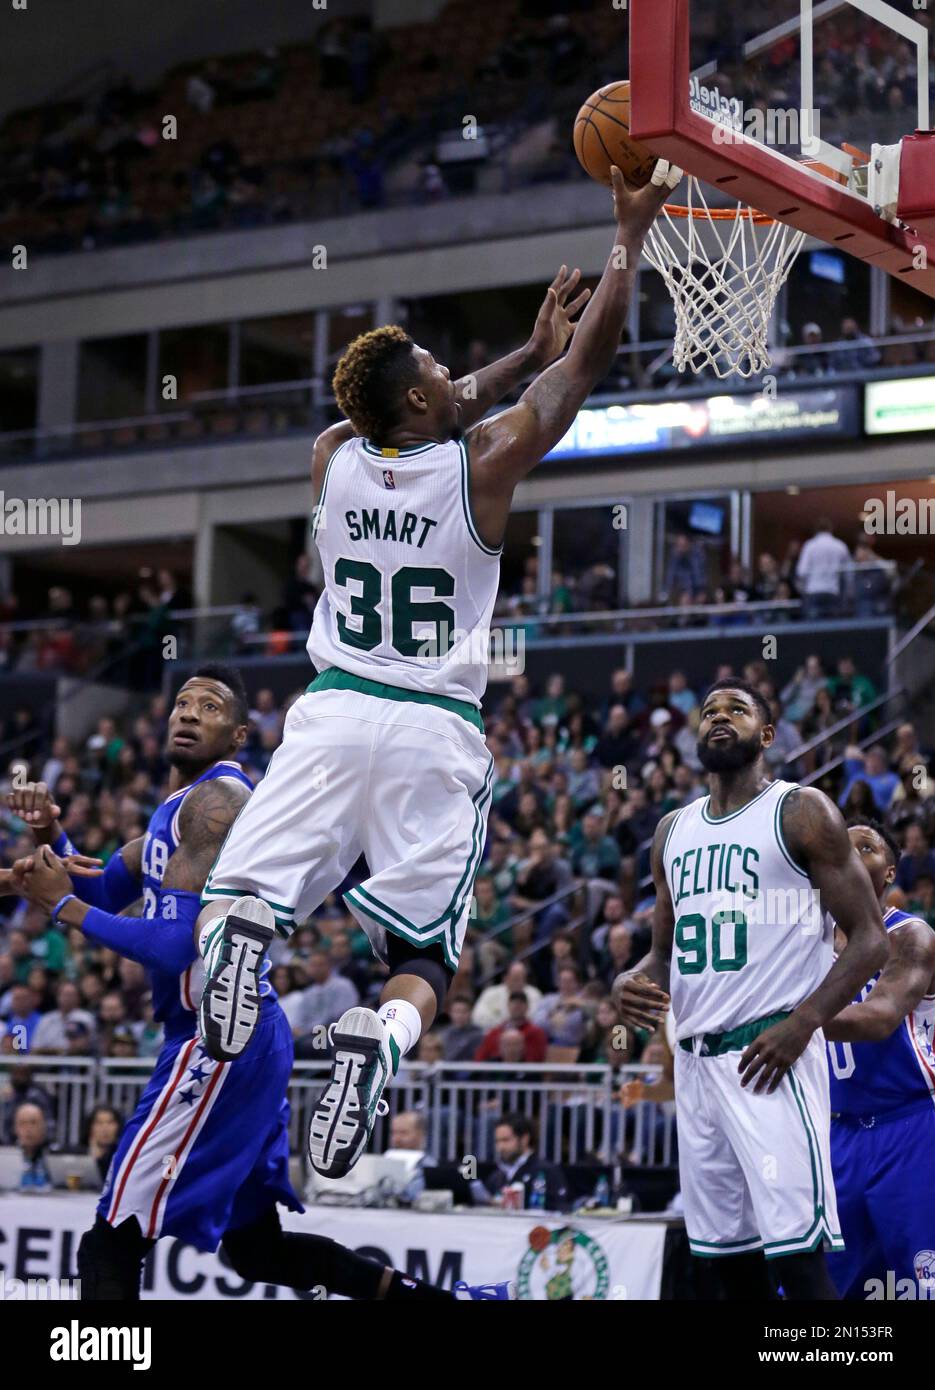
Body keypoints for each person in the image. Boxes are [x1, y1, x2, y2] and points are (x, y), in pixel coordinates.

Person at [192, 163, 680, 1182]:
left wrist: (515, 356)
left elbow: (437, 403)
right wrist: (627, 236)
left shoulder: (331, 452)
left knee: (241, 892)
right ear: (418, 393)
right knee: (423, 958)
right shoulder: (482, 465)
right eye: (433, 363)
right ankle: (376, 1038)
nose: (453, 371)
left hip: (327, 716)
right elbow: (582, 372)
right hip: (431, 729)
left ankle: (243, 934)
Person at [9, 675, 507, 1302]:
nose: (188, 715)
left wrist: (62, 912)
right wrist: (49, 836)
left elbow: (173, 945)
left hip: (216, 1037)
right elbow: (101, 888)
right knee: (256, 1248)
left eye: (209, 708)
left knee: (112, 1237)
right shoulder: (178, 811)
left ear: (239, 734)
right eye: (182, 704)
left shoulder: (217, 800)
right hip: (242, 1037)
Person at [614, 678, 887, 1300]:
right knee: (727, 1266)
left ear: (766, 735)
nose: (719, 716)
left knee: (797, 1259)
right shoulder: (670, 831)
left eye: (737, 709)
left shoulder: (801, 810)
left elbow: (870, 938)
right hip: (696, 1067)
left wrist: (806, 1021)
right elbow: (661, 955)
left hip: (771, 1054)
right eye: (709, 710)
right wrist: (628, 983)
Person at [824, 820, 935, 1299]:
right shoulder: (801, 944)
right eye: (840, 846)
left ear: (889, 872)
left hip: (913, 1125)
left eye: (866, 847)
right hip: (837, 1133)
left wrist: (787, 1020)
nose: (851, 854)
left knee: (924, 1284)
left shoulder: (913, 937)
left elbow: (880, 1018)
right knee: (825, 1283)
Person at [476, 1113, 570, 1211]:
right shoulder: (497, 1175)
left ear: (524, 1139)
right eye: (497, 1141)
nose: (500, 1147)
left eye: (506, 1140)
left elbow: (558, 1209)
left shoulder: (547, 1171)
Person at [795, 518, 851, 619]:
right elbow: (849, 573)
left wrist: (802, 590)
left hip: (813, 591)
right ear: (831, 529)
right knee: (831, 628)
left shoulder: (810, 545)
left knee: (813, 630)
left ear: (816, 530)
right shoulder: (840, 545)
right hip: (833, 591)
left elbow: (801, 571)